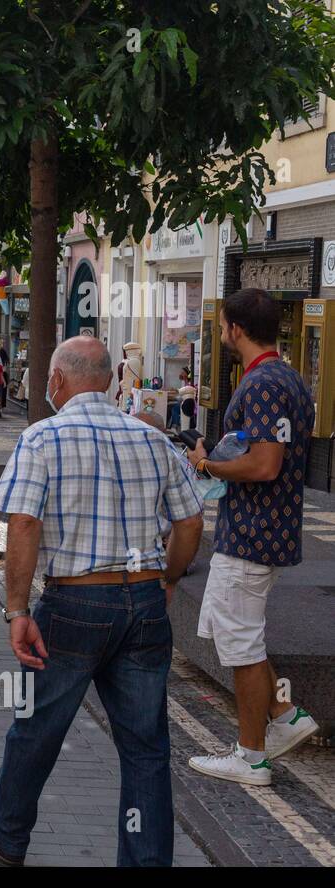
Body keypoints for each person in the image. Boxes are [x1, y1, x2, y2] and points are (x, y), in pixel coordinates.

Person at [0, 335, 204, 867]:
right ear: (110, 381)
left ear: (56, 381)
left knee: (38, 727)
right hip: (142, 602)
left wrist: (17, 610)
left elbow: (24, 523)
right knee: (146, 749)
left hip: (74, 604)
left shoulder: (42, 438)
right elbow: (191, 520)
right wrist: (165, 579)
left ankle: (6, 830)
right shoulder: (152, 439)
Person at [185, 288, 319, 786]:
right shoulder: (289, 378)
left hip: (252, 533)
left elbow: (264, 463)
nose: (222, 333)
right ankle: (285, 716)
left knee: (240, 643)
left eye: (222, 326)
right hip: (270, 531)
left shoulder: (261, 383)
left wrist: (206, 462)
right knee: (236, 632)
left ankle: (251, 756)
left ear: (235, 329)